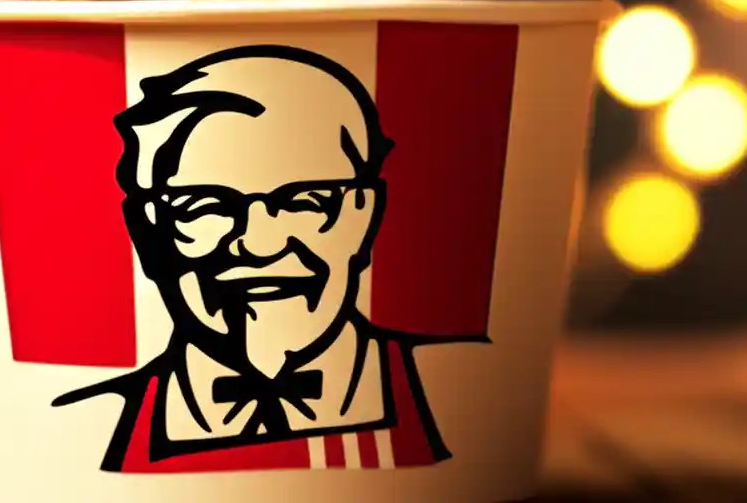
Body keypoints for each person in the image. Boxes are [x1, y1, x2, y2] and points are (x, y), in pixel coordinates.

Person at [55, 45, 464, 472]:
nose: (260, 244)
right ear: (148, 233)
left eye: (306, 201)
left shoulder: (466, 391)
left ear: (364, 216)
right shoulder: (81, 427)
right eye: (205, 206)